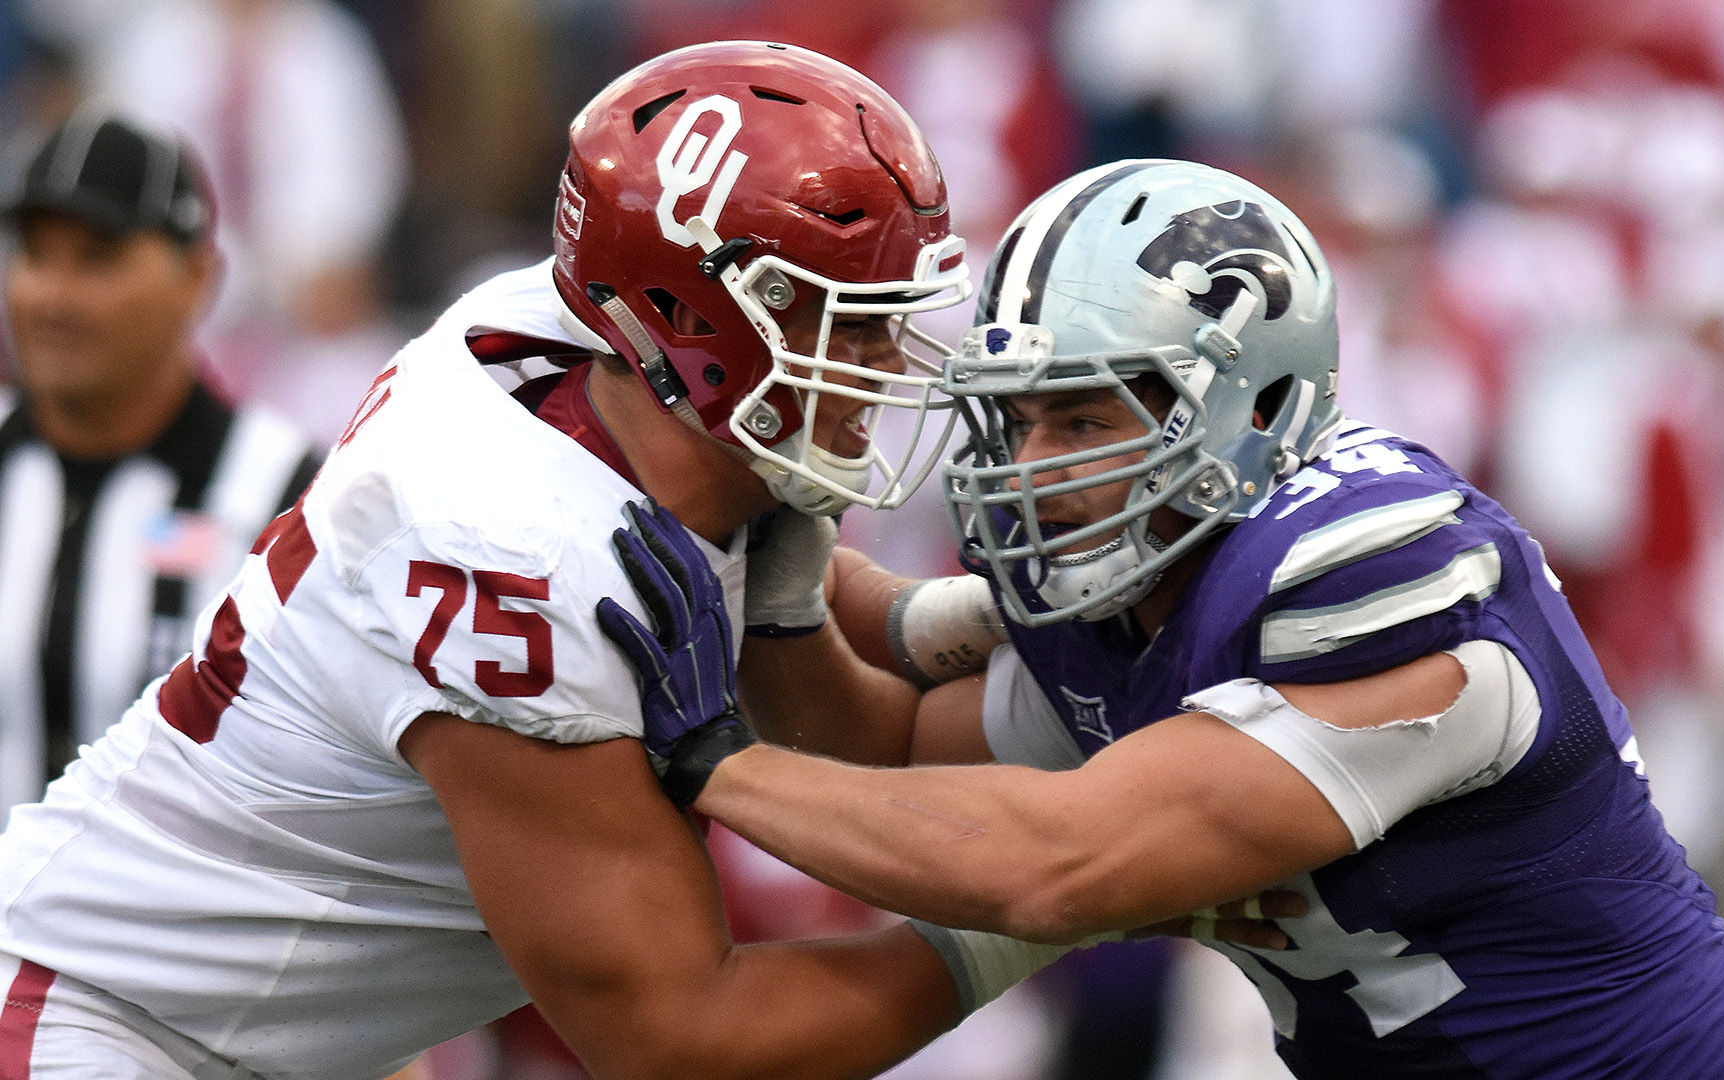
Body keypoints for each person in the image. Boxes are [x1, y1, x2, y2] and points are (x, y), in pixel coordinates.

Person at [0, 43, 1242, 1080]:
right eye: (839, 317)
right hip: (102, 1022)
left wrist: (1027, 625)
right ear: (685, 318)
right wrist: (1039, 924)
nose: (881, 363)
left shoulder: (599, 364)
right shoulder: (510, 560)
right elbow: (680, 1039)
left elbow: (826, 671)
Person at [601, 159, 1724, 1079]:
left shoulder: (1376, 576)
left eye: (1081, 418)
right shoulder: (1144, 589)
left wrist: (710, 760)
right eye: (1016, 419)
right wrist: (774, 579)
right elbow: (885, 745)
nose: (1031, 467)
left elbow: (1048, 865)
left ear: (1251, 410)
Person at [0, 109, 322, 814]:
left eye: (96, 257)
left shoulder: (289, 495)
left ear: (199, 275)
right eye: (34, 254)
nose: (52, 294)